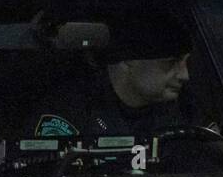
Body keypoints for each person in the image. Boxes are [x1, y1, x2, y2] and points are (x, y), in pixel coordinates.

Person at [29, 20, 193, 139]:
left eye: (185, 62)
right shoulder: (71, 110)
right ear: (130, 60)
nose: (184, 75)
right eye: (171, 63)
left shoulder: (185, 110)